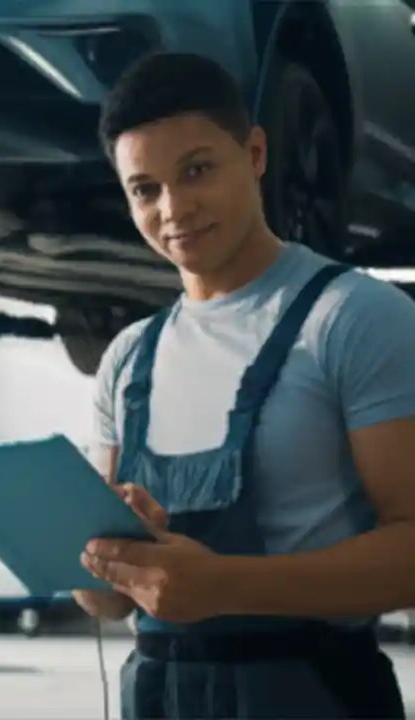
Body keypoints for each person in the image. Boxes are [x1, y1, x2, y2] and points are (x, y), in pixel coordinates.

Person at [72, 51, 415, 719]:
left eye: (197, 170)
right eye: (145, 189)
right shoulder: (127, 360)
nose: (174, 209)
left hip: (314, 697)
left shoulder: (353, 318)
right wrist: (101, 555)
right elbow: (106, 603)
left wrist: (224, 585)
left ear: (255, 153)